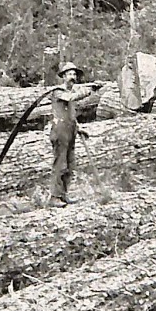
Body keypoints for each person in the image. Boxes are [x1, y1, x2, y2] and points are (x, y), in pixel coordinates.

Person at [48, 61, 102, 207]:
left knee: (70, 165)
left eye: (74, 74)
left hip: (70, 130)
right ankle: (54, 197)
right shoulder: (58, 91)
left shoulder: (71, 92)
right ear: (63, 76)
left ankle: (63, 195)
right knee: (60, 164)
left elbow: (71, 115)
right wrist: (88, 90)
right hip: (59, 131)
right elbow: (70, 98)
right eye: (69, 74)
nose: (72, 77)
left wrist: (79, 128)